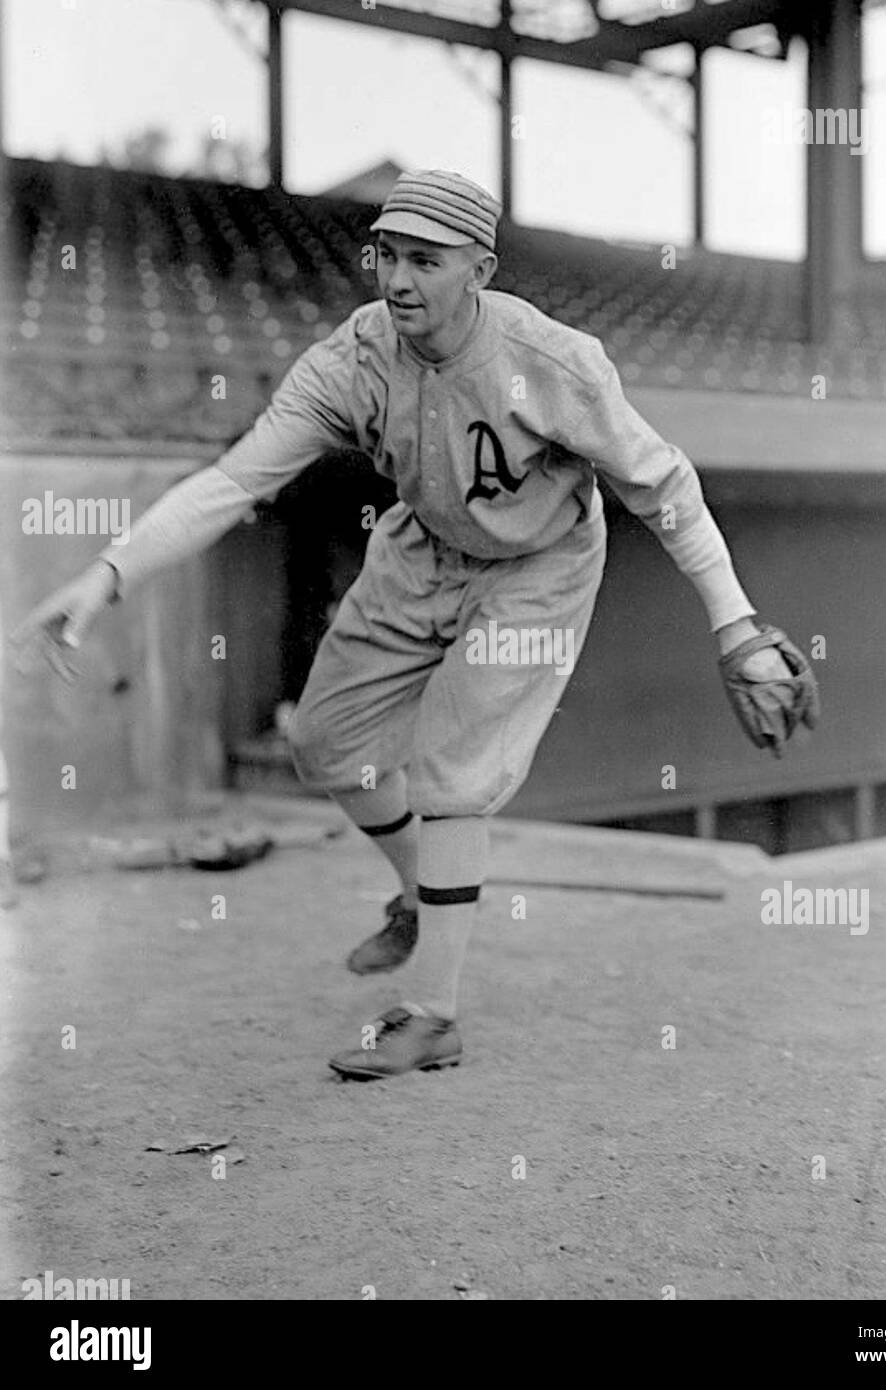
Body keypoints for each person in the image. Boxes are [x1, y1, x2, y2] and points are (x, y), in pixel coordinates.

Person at [11, 169, 817, 1080]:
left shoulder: (551, 361)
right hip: (422, 548)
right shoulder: (353, 360)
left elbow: (666, 491)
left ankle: (433, 1013)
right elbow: (234, 482)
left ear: (480, 270)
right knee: (325, 743)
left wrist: (735, 624)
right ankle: (416, 893)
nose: (398, 280)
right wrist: (103, 576)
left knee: (449, 771)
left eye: (425, 262)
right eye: (387, 256)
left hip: (538, 568)